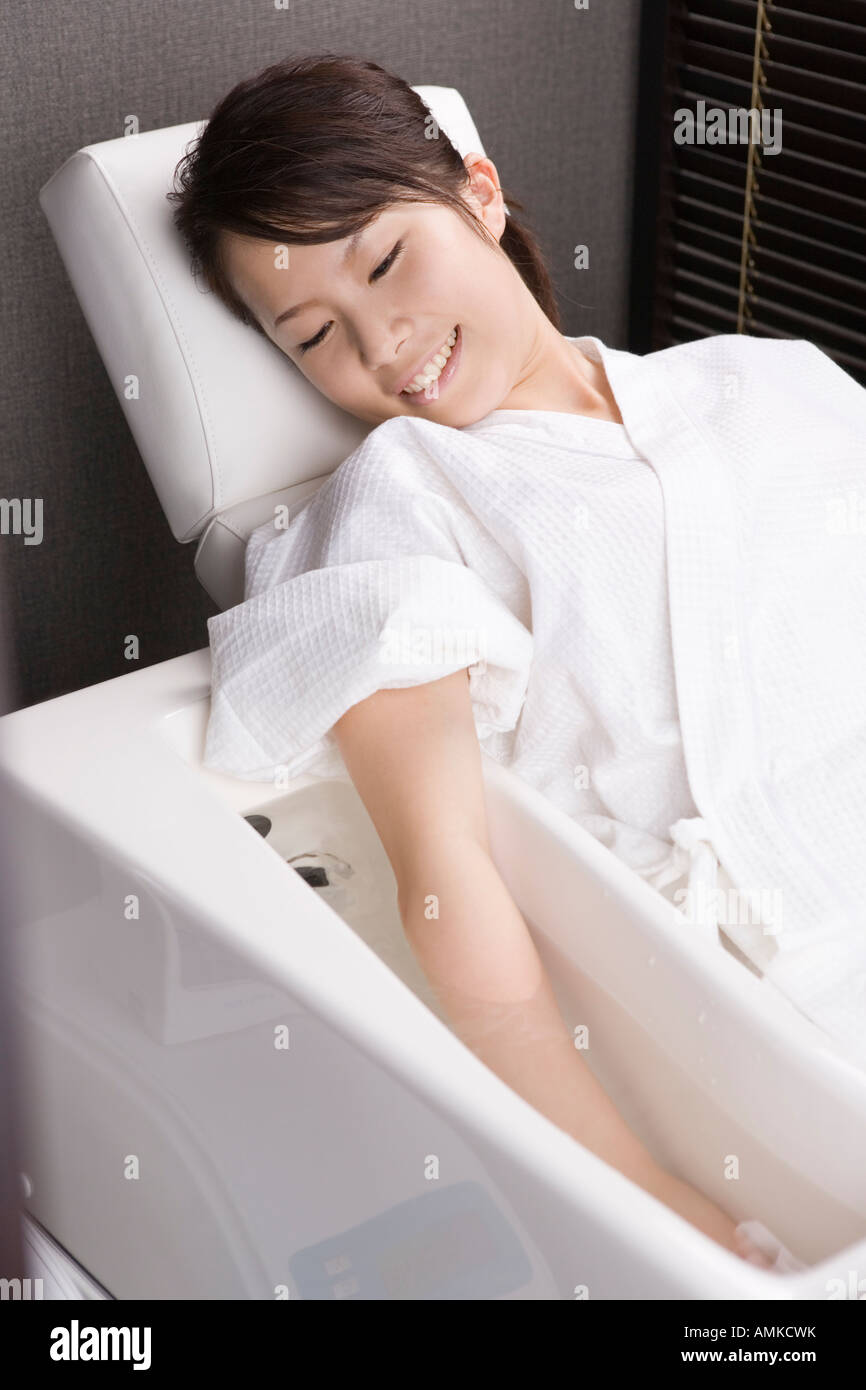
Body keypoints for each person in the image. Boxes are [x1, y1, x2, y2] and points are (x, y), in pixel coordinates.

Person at [167, 52, 853, 1276]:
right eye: (314, 333)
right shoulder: (403, 502)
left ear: (478, 193)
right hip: (805, 999)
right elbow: (446, 885)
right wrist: (659, 1205)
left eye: (383, 260)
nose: (385, 345)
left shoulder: (769, 382)